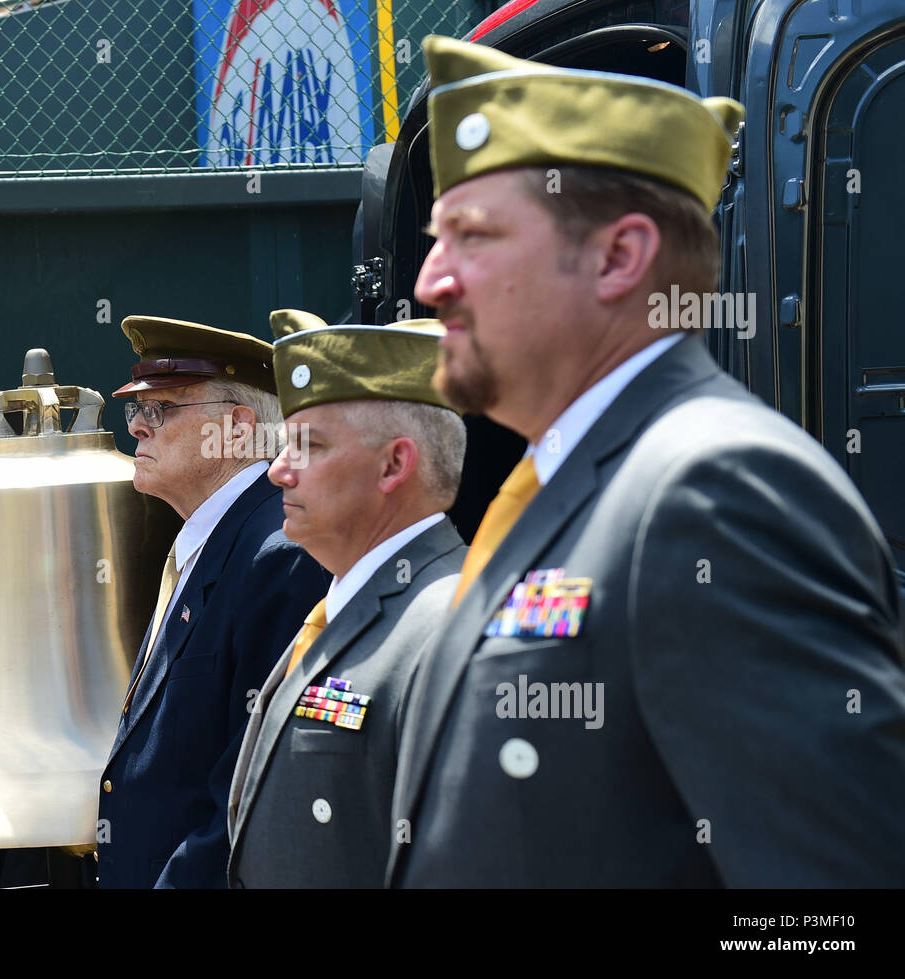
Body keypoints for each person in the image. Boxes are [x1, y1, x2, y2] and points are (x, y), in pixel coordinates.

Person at [388, 37, 905, 887]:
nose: (430, 281)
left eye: (471, 235)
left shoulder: (715, 492)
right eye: (435, 238)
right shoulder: (569, 485)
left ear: (621, 258)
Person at [226, 310, 467, 888]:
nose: (278, 471)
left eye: (308, 446)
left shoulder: (451, 627)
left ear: (395, 464)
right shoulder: (344, 607)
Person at [96, 315, 330, 888]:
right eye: (135, 410)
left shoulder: (279, 553)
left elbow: (257, 789)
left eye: (161, 409)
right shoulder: (212, 539)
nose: (138, 430)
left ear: (236, 427)